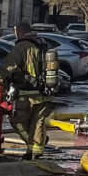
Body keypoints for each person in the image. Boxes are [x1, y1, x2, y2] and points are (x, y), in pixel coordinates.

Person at [9, 22, 59, 158]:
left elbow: (9, 67)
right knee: (38, 122)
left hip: (27, 93)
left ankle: (33, 146)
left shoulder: (21, 47)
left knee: (17, 121)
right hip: (45, 92)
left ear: (18, 32)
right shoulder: (43, 44)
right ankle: (36, 151)